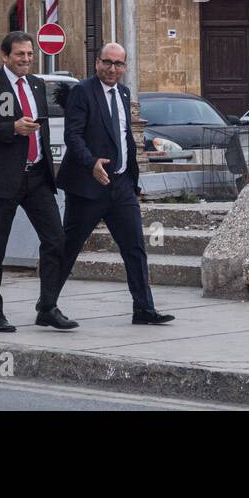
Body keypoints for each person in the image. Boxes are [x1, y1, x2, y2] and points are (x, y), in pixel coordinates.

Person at [57, 42, 174, 325]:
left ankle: (144, 309)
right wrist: (91, 163)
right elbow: (72, 136)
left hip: (121, 185)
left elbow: (123, 137)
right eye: (107, 63)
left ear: (125, 67)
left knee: (134, 247)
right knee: (68, 247)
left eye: (118, 64)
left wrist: (133, 179)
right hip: (88, 186)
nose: (112, 69)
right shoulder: (82, 92)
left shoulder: (123, 93)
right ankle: (47, 305)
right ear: (97, 63)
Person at [0, 31, 76, 333]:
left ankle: (47, 307)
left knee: (56, 239)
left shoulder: (38, 85)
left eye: (29, 54)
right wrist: (12, 129)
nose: (26, 59)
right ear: (5, 56)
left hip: (37, 176)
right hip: (1, 178)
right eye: (20, 54)